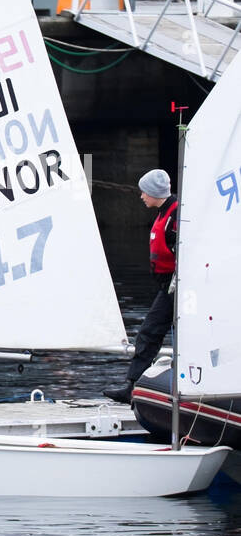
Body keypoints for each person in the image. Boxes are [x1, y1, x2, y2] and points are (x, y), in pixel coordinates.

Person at [104, 168, 177, 405]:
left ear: (155, 192)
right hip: (167, 287)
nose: (141, 196)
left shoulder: (176, 216)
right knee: (149, 333)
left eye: (144, 192)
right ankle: (133, 386)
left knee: (151, 332)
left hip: (178, 289)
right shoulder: (164, 212)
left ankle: (137, 386)